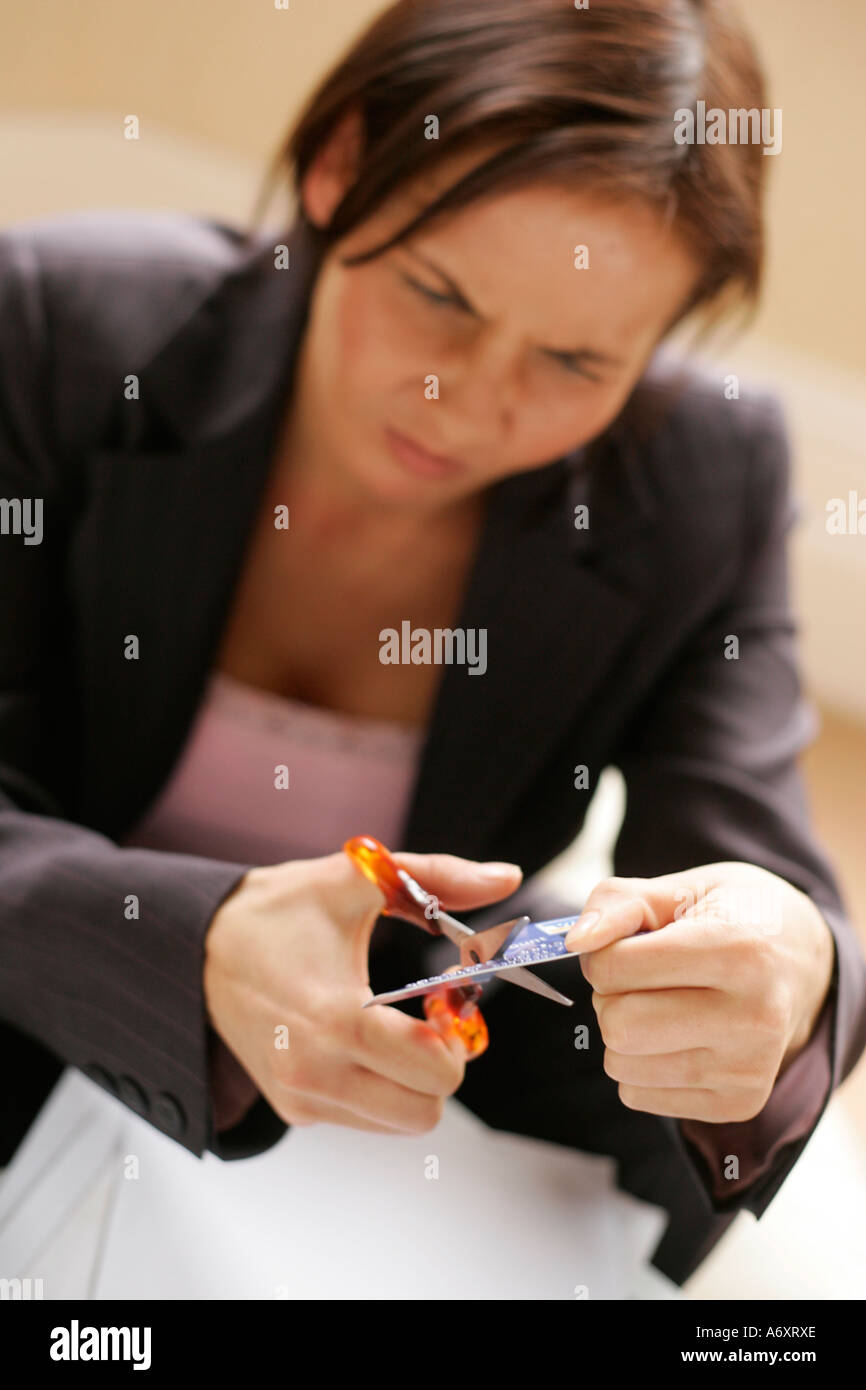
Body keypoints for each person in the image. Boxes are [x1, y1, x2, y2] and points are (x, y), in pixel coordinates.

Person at [1, 0, 864, 1289]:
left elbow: (748, 853)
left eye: (575, 359)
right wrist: (189, 944)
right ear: (340, 168)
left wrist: (782, 965)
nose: (464, 402)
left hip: (399, 1070)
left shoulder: (703, 471)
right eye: (437, 294)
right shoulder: (56, 329)